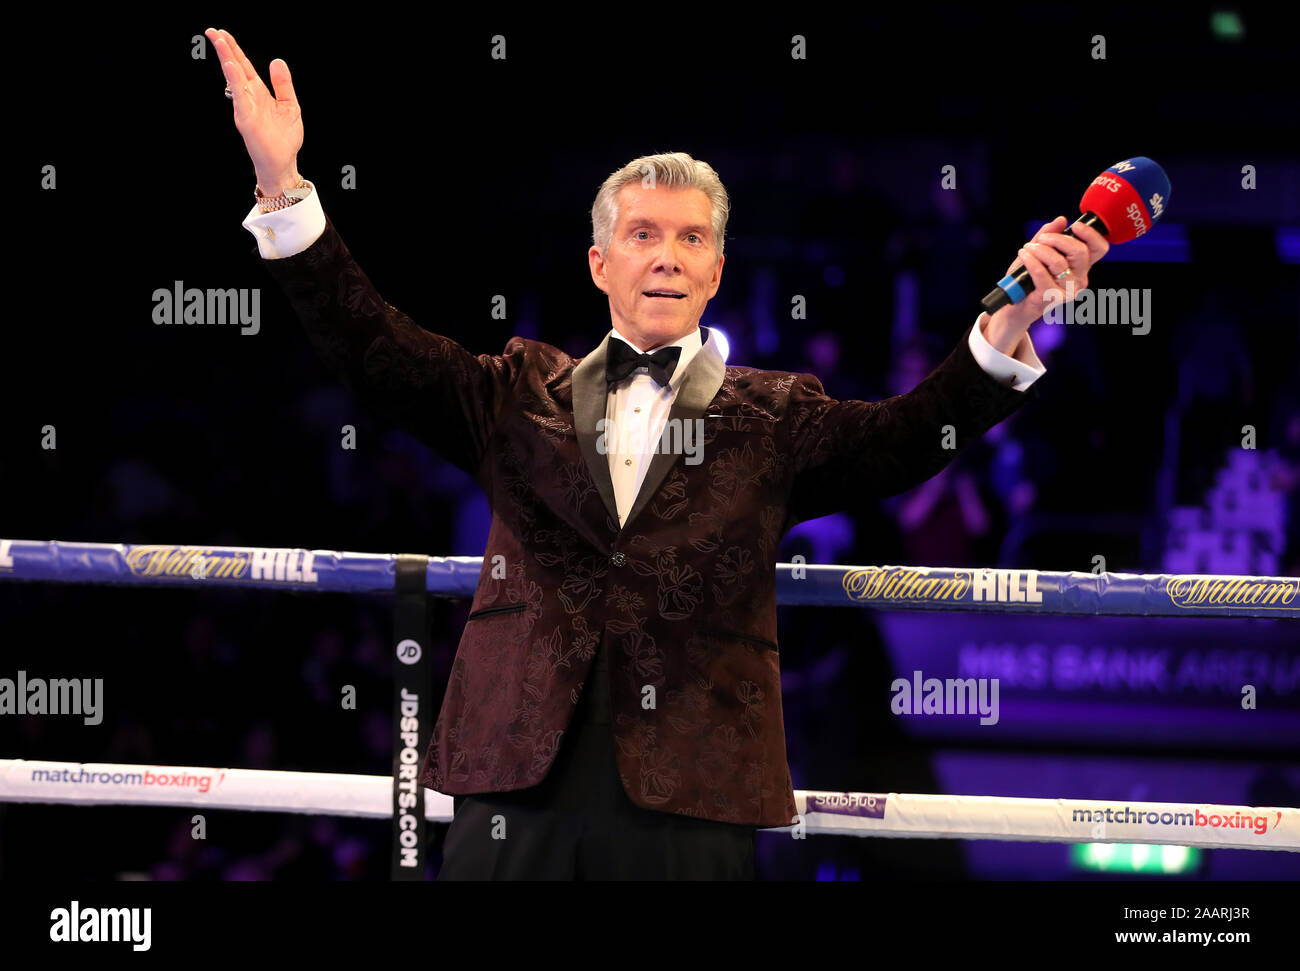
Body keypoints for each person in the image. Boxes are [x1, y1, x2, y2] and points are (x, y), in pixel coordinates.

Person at [205, 27, 1109, 879]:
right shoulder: (514, 390)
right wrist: (283, 184)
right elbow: (375, 349)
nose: (667, 257)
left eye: (690, 238)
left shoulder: (777, 414)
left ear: (716, 269)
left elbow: (912, 436)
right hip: (516, 778)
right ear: (601, 263)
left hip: (694, 791)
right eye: (643, 235)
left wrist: (1001, 329)